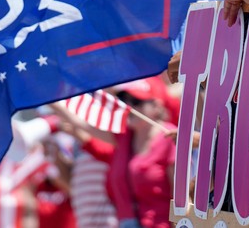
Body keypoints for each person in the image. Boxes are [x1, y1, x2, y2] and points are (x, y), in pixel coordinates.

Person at [62, 79, 177, 228]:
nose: (129, 107)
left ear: (156, 105)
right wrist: (48, 98)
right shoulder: (124, 137)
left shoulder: (170, 138)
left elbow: (180, 196)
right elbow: (79, 121)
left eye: (136, 101)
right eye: (124, 101)